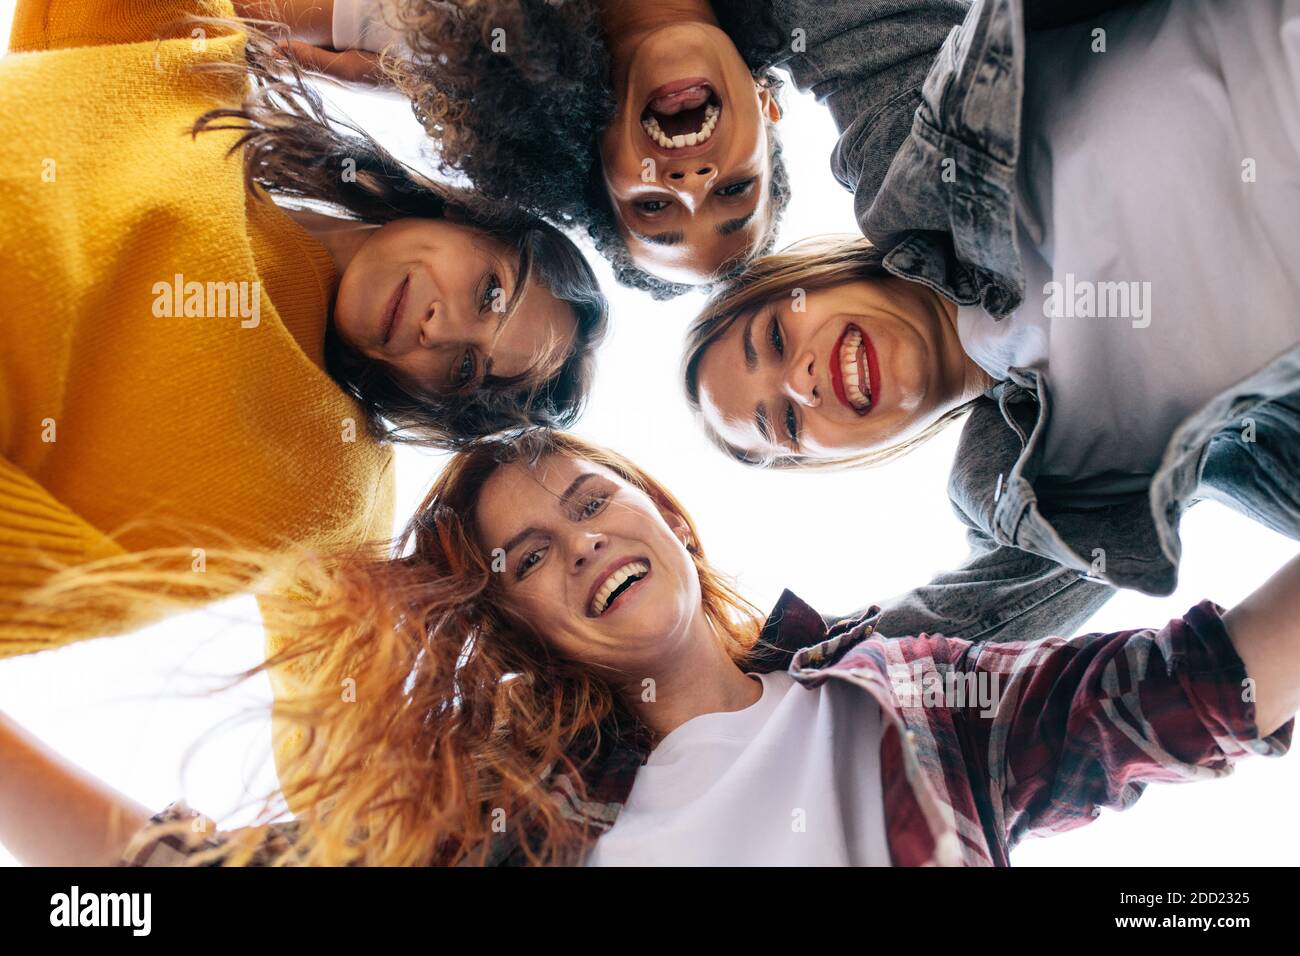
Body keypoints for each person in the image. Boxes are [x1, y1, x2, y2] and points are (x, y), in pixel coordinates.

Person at [0, 430, 1291, 867]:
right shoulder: (516, 820)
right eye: (526, 558)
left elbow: (1201, 688)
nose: (579, 543)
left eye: (590, 500)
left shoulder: (922, 705)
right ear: (517, 622)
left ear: (664, 513)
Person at [682, 0, 1300, 641]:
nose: (800, 383)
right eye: (786, 422)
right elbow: (920, 656)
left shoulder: (900, 158)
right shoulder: (1023, 489)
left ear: (810, 282)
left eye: (774, 339)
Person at [1, 0, 608, 650]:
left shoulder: (338, 490)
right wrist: (392, 39)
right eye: (490, 293)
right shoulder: (199, 72)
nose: (441, 331)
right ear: (464, 216)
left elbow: (340, 694)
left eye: (466, 368)